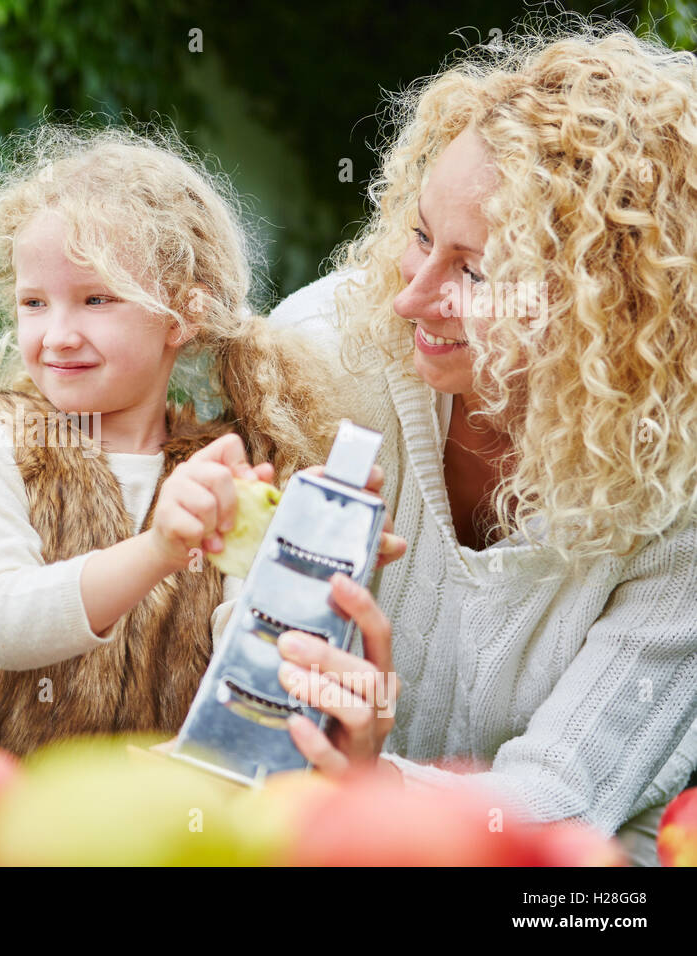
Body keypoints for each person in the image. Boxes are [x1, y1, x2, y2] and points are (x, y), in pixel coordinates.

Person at [263, 25, 697, 866]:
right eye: (421, 237)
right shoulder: (320, 351)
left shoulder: (678, 491)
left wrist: (376, 788)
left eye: (476, 273)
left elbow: (565, 801)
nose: (410, 299)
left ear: (610, 311)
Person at [0, 124, 404, 759]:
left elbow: (249, 679)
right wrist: (161, 548)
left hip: (156, 820)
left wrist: (302, 568)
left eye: (95, 299)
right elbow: (3, 622)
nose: (56, 334)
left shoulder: (225, 476)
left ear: (182, 316)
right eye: (33, 302)